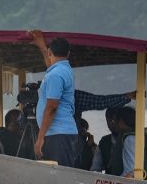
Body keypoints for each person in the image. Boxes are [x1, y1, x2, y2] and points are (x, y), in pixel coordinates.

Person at [30, 30, 81, 167]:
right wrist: (42, 46)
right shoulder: (63, 69)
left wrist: (40, 138)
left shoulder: (56, 74)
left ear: (50, 52)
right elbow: (51, 65)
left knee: (58, 178)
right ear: (68, 54)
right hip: (60, 134)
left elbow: (52, 107)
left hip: (58, 135)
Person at [108, 106, 147, 178]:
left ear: (121, 122)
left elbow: (130, 171)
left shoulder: (129, 139)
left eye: (115, 121)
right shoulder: (144, 136)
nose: (114, 124)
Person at [90, 107, 125, 173]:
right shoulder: (104, 142)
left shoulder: (133, 140)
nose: (113, 123)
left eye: (115, 120)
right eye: (110, 120)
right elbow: (95, 169)